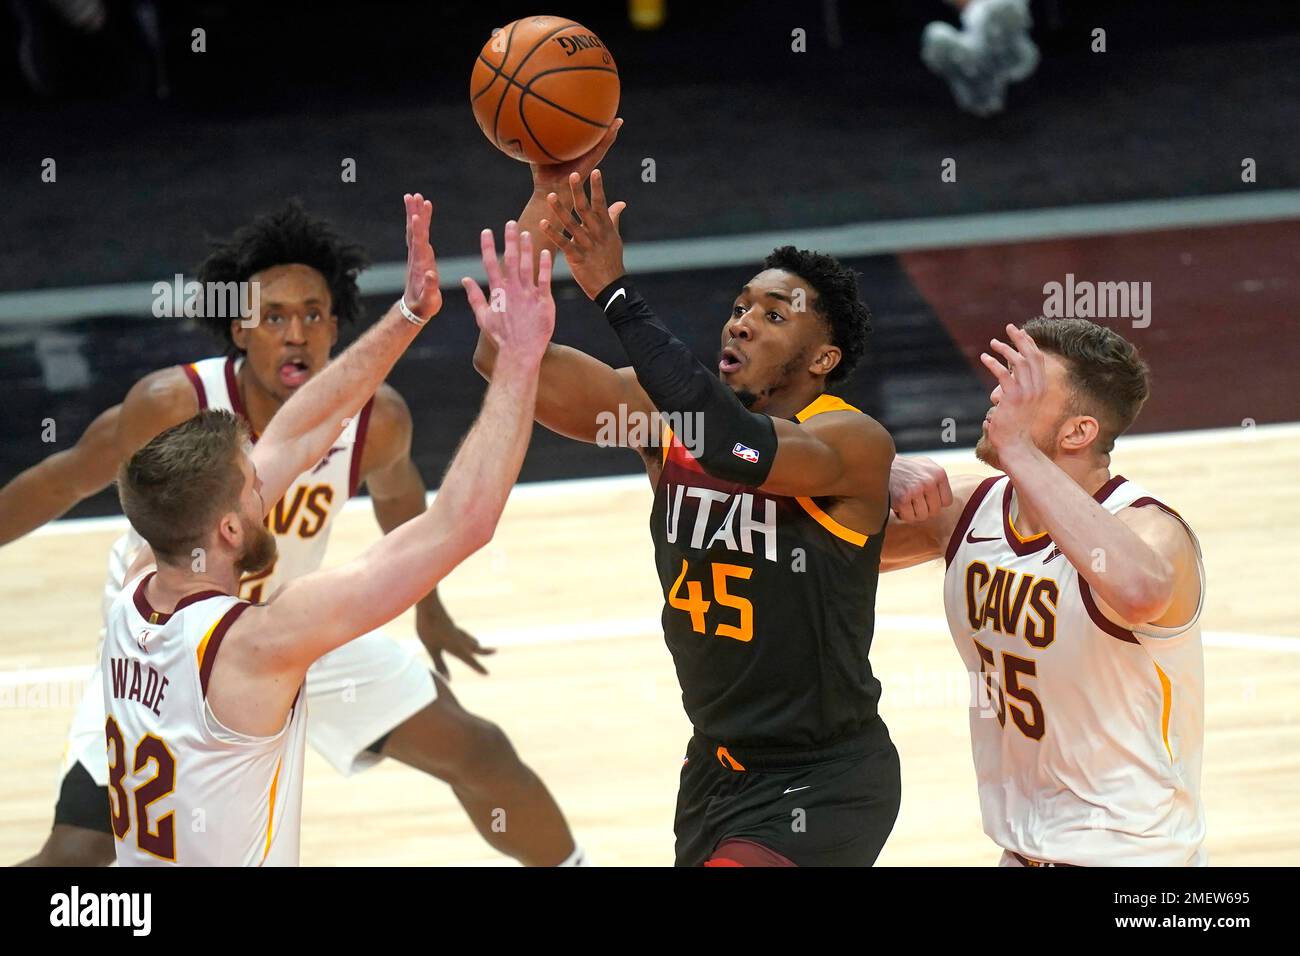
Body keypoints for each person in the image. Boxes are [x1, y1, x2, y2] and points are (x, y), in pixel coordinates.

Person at [6, 198, 580, 867]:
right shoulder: (271, 627)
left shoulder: (142, 584)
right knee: (75, 853)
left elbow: (296, 434)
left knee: (475, 751)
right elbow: (461, 520)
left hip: (167, 642)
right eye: (252, 485)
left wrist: (408, 314)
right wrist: (519, 361)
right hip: (248, 643)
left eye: (312, 315)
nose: (264, 476)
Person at [474, 168, 901, 866]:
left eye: (773, 313)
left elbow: (732, 446)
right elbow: (502, 358)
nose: (740, 320)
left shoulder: (849, 441)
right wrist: (548, 189)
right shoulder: (659, 415)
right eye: (740, 305)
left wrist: (614, 293)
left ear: (822, 357)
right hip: (712, 768)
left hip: (823, 778)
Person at [884, 318, 1206, 866]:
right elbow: (825, 555)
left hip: (1134, 859)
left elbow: (1139, 592)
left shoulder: (1150, 529)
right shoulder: (971, 511)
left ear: (1077, 432)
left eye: (1025, 388)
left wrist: (1018, 450)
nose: (997, 396)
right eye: (1008, 380)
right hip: (1022, 852)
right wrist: (880, 464)